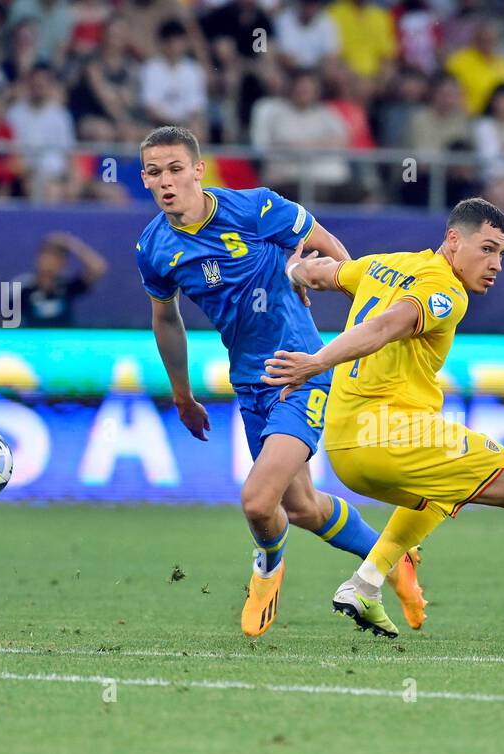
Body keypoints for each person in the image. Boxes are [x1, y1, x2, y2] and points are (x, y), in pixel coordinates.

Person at [263, 198, 504, 651]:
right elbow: (385, 326)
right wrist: (315, 362)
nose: (496, 264)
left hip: (344, 446)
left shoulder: (384, 264)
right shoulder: (446, 293)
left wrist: (295, 273)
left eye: (502, 254)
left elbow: (326, 274)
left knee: (447, 490)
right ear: (453, 240)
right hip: (389, 435)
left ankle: (365, 583)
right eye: (488, 249)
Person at [133, 126, 423, 638]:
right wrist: (181, 393)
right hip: (249, 382)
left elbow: (328, 246)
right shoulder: (154, 248)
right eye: (154, 173)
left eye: (176, 169)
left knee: (256, 502)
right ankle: (392, 558)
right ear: (145, 180)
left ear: (199, 170)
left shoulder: (255, 208)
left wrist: (352, 317)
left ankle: (267, 570)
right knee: (302, 507)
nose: (166, 181)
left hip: (300, 371)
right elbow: (166, 319)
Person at [15, 232, 106, 326]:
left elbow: (98, 267)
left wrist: (71, 244)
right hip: (35, 339)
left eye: (55, 258)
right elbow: (6, 322)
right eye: (46, 256)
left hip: (64, 339)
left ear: (62, 263)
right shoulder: (25, 290)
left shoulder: (68, 287)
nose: (50, 262)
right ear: (38, 259)